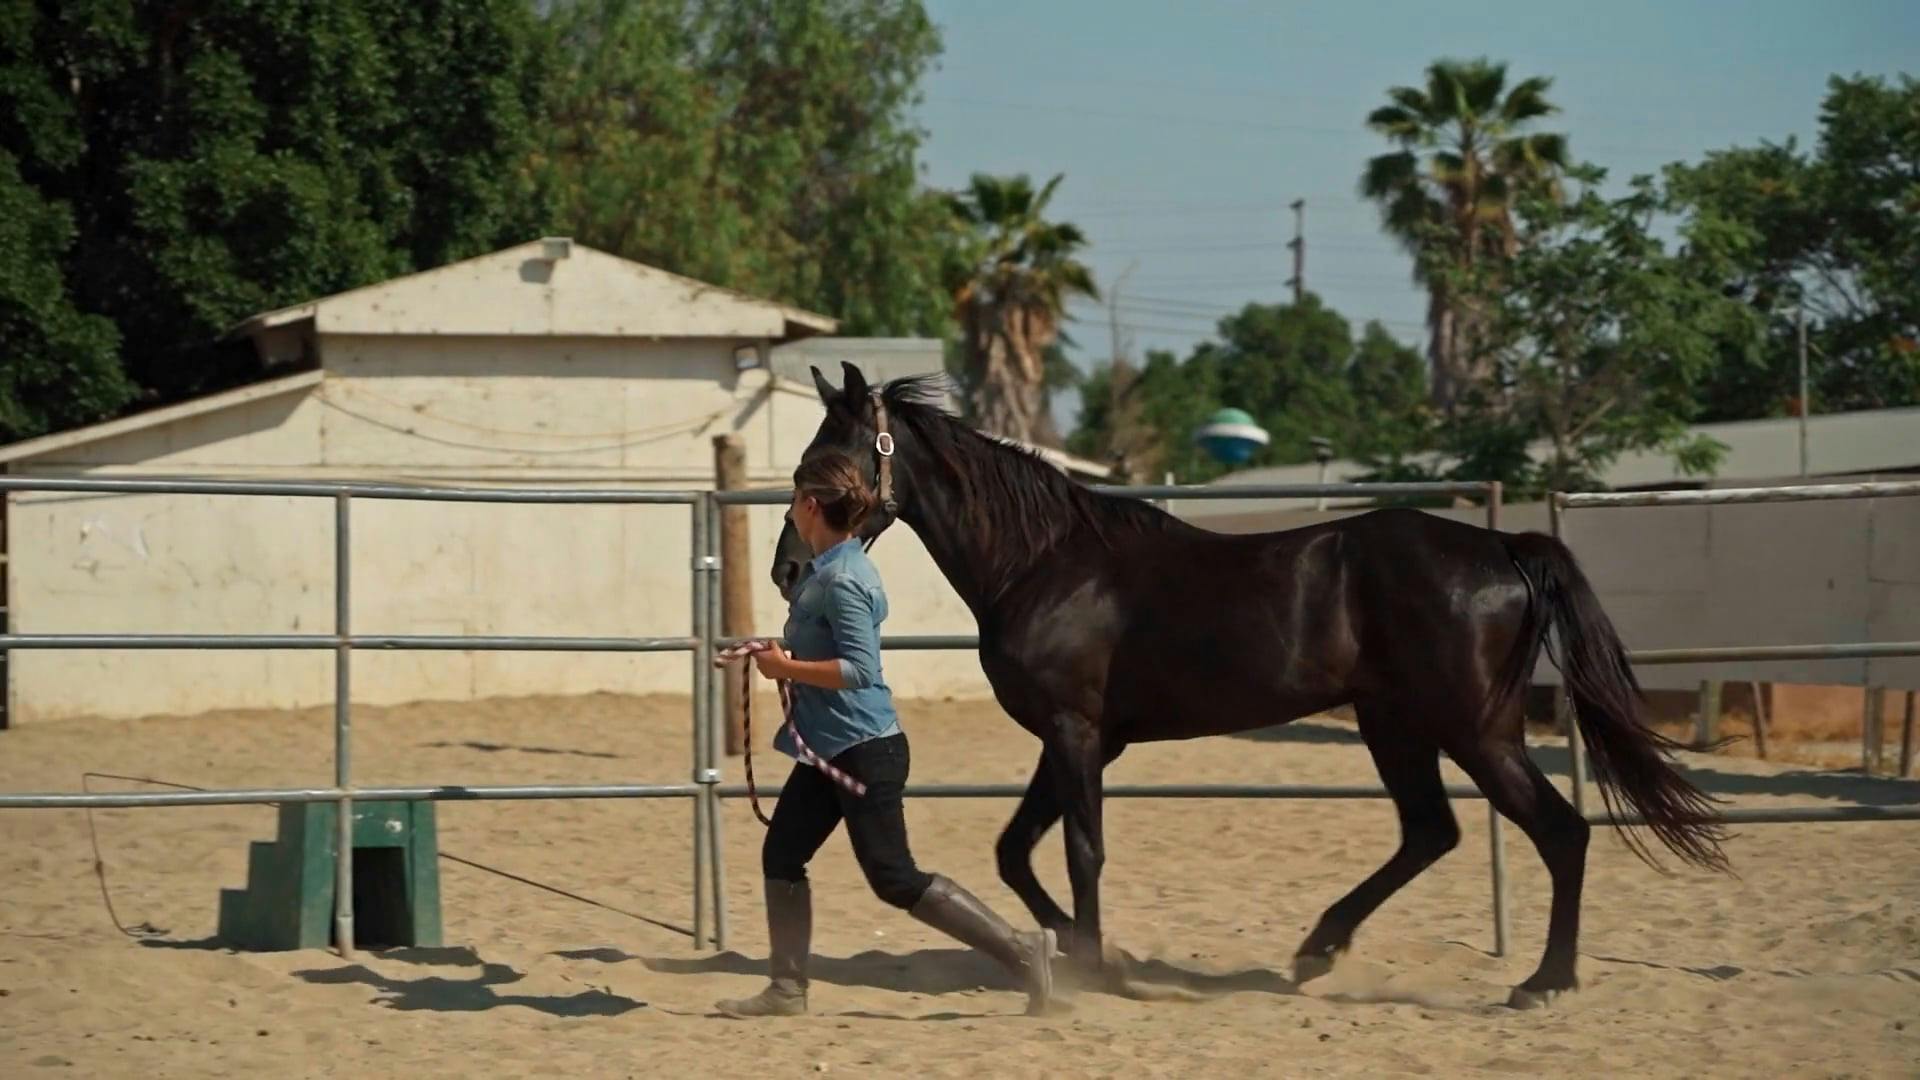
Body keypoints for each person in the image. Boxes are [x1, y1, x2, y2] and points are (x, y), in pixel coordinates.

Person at [717, 449, 1057, 1018]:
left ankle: (1023, 950)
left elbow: (859, 670)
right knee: (782, 854)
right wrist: (780, 653)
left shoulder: (845, 578)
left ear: (809, 504)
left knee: (894, 877)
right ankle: (787, 989)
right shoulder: (830, 567)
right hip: (831, 749)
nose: (790, 513)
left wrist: (786, 669)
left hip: (863, 752)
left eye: (793, 501)